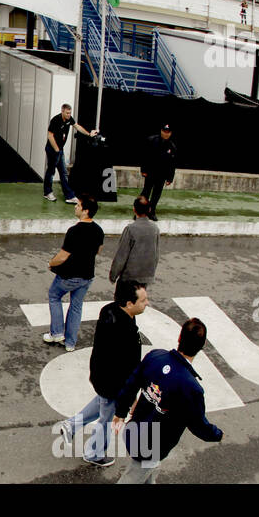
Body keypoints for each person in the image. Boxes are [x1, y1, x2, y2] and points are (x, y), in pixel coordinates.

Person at [112, 318, 224, 484]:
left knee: (149, 472)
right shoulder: (191, 388)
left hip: (135, 430)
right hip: (152, 446)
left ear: (179, 338)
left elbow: (131, 384)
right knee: (133, 477)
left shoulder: (155, 356)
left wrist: (120, 413)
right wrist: (216, 434)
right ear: (201, 347)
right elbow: (197, 424)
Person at [57, 280, 148, 467]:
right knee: (107, 420)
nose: (147, 303)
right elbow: (128, 371)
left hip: (101, 376)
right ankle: (94, 453)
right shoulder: (126, 332)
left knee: (102, 402)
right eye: (143, 300)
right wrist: (130, 401)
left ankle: (71, 425)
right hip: (113, 384)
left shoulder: (110, 310)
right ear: (129, 304)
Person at [44, 195, 103, 352]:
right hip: (87, 276)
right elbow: (98, 250)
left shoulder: (74, 231)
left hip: (69, 276)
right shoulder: (99, 230)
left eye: (78, 205)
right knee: (76, 307)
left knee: (54, 296)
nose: (75, 207)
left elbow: (63, 256)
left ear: (85, 210)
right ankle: (70, 343)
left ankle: (56, 332)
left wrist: (50, 263)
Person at [44, 103, 97, 203]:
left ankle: (69, 196)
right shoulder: (55, 120)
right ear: (62, 111)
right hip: (52, 150)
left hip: (60, 150)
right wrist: (56, 149)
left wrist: (89, 134)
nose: (69, 115)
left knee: (64, 173)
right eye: (67, 113)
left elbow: (77, 126)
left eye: (70, 113)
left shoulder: (69, 119)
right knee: (51, 171)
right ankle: (47, 193)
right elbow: (50, 135)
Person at [109, 196, 159, 295]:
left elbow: (121, 255)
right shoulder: (155, 229)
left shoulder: (130, 229)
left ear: (134, 210)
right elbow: (156, 254)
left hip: (129, 277)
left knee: (123, 304)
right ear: (149, 209)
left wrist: (113, 275)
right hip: (145, 277)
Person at [140, 124, 177, 220]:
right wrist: (143, 170)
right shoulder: (152, 140)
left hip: (162, 175)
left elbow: (172, 164)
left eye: (168, 132)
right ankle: (140, 212)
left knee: (156, 194)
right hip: (150, 173)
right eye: (164, 131)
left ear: (170, 133)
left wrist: (170, 178)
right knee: (146, 192)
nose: (166, 134)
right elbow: (145, 156)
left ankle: (151, 211)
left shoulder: (172, 146)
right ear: (161, 131)